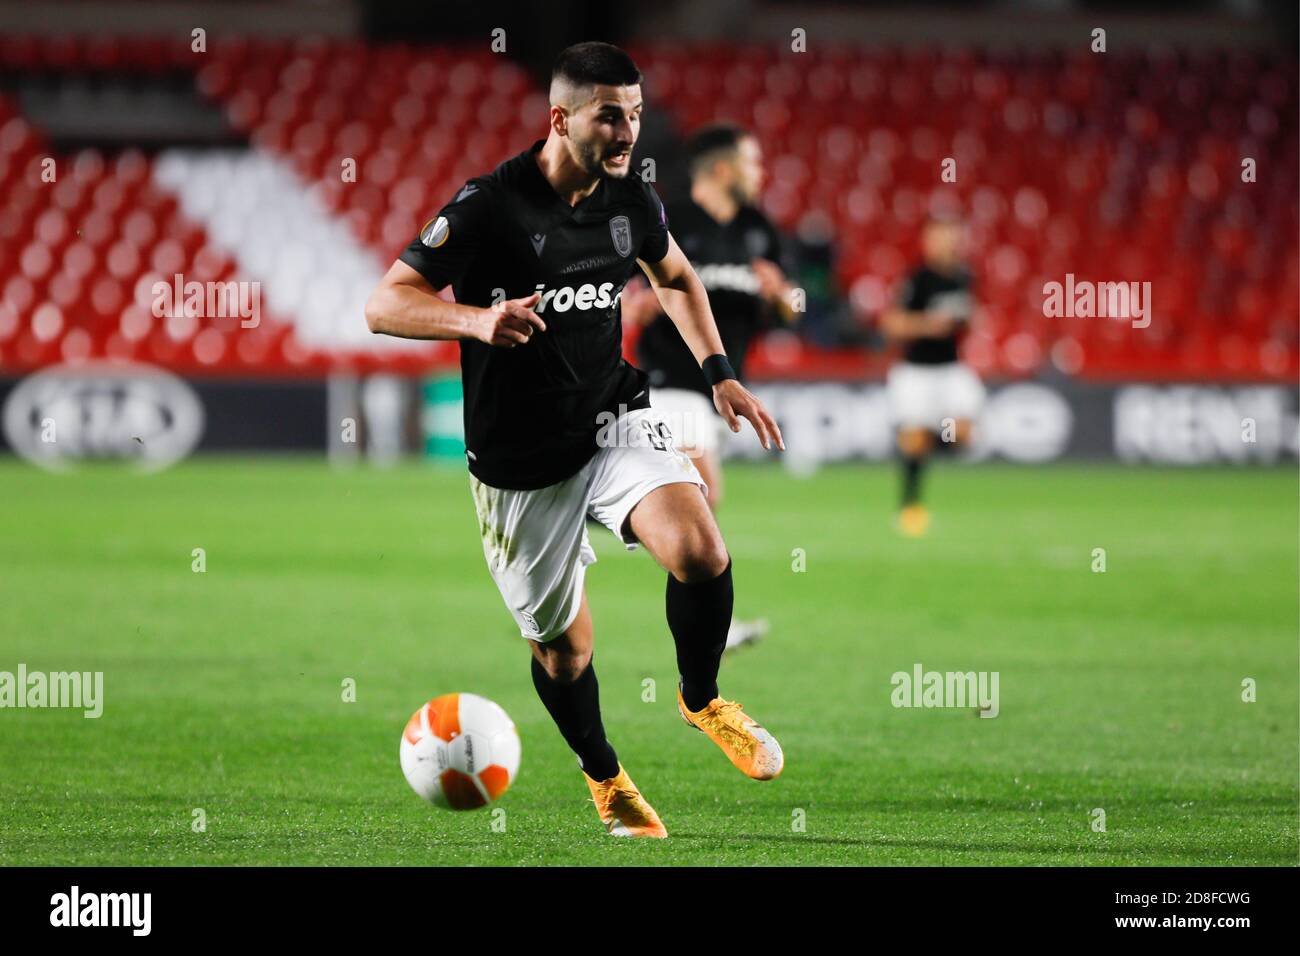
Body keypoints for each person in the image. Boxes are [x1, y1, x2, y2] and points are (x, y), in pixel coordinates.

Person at [364, 42, 785, 839]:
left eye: (633, 112)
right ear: (560, 118)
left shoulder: (631, 202)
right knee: (565, 653)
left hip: (612, 414)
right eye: (609, 115)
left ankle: (701, 699)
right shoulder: (490, 206)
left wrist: (720, 370)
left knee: (701, 549)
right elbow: (384, 304)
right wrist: (476, 319)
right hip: (519, 465)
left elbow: (676, 278)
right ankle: (606, 777)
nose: (627, 129)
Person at [623, 123, 795, 651]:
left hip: (717, 392)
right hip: (670, 380)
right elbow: (622, 296)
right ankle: (710, 627)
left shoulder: (759, 230)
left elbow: (789, 312)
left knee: (700, 502)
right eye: (753, 161)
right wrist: (638, 305)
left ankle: (624, 510)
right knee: (704, 494)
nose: (760, 172)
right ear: (723, 169)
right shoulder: (665, 220)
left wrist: (782, 294)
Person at [880, 215, 984, 536]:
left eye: (947, 237)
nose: (941, 244)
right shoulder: (918, 280)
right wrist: (928, 324)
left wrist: (967, 323)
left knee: (964, 435)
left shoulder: (965, 277)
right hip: (916, 371)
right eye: (936, 237)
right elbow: (891, 323)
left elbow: (972, 317)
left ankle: (927, 443)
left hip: (951, 369)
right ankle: (910, 508)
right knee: (914, 441)